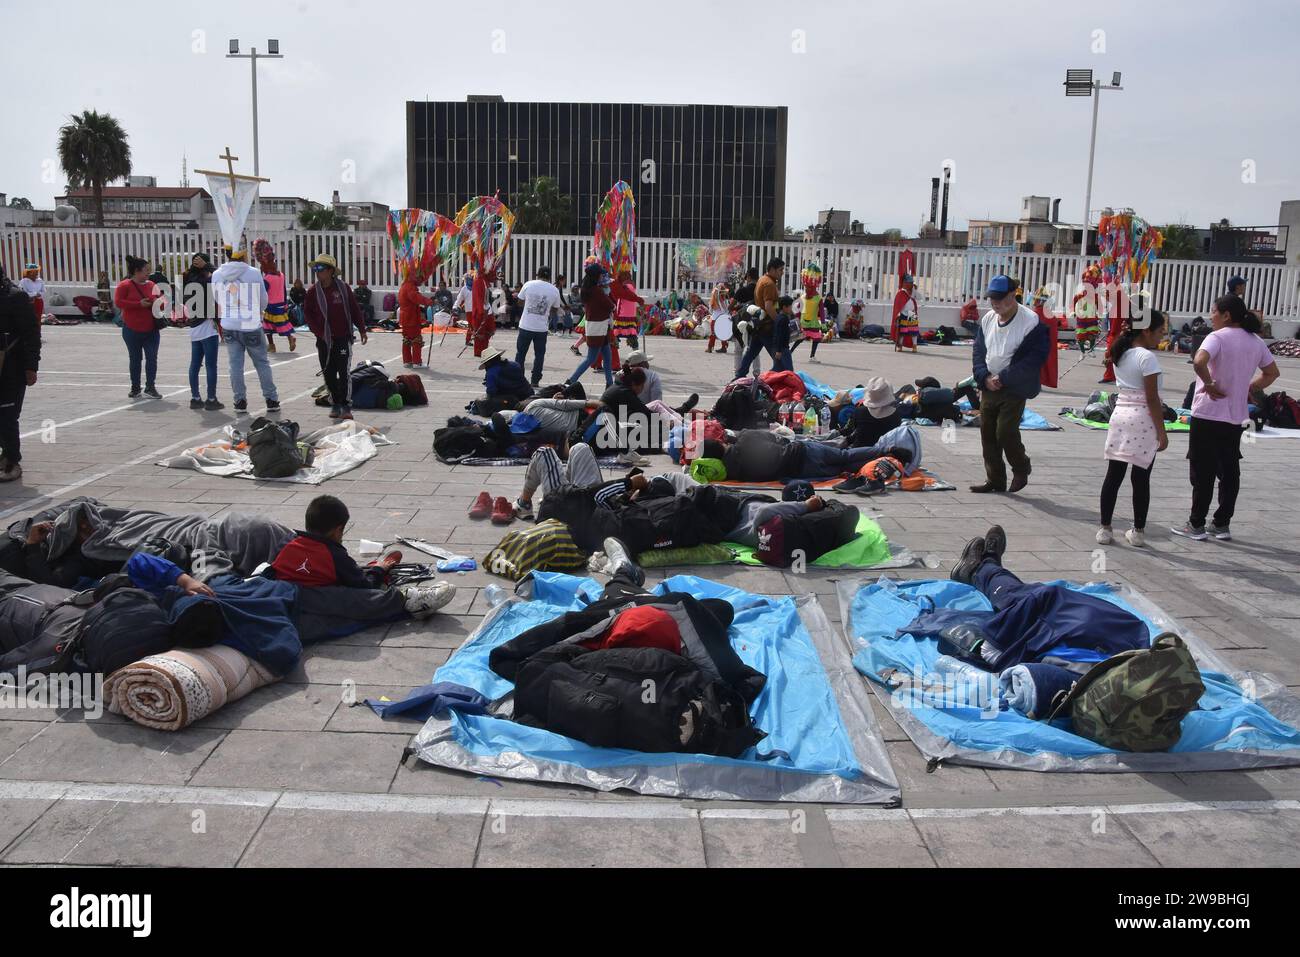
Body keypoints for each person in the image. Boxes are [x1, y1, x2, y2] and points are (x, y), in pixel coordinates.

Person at [947, 526, 1151, 671]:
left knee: (1015, 596)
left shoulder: (1136, 643)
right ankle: (987, 567)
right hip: (1069, 616)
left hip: (1060, 610)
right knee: (1020, 596)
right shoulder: (1124, 654)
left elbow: (998, 654)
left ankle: (983, 568)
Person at [1171, 295, 1279, 541]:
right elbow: (1272, 372)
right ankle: (1221, 523)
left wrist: (1208, 383)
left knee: (1202, 470)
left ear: (1226, 314)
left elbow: (1199, 362)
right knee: (1229, 469)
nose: (1211, 316)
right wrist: (1249, 388)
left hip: (1208, 412)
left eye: (1214, 311)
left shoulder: (1216, 337)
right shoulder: (1255, 341)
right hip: (1235, 416)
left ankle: (1196, 523)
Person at [970, 274, 1049, 494]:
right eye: (992, 299)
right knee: (987, 433)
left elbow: (1034, 358)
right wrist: (984, 376)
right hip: (989, 385)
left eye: (1000, 298)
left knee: (1005, 431)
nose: (995, 303)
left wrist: (1004, 377)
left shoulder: (1030, 321)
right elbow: (978, 351)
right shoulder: (987, 320)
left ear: (1013, 295)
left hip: (1013, 387)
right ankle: (995, 479)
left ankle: (1021, 467)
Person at [1097, 310, 1169, 547]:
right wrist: (1162, 432)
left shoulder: (1121, 353)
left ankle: (1105, 529)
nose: (1162, 336)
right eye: (1160, 331)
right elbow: (1151, 398)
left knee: (1113, 475)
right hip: (1142, 419)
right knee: (1141, 478)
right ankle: (1137, 531)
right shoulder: (1146, 357)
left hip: (1120, 415)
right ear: (1146, 331)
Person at [701, 423, 920, 482]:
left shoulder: (731, 472)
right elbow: (772, 437)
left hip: (800, 472)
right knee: (844, 454)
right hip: (801, 450)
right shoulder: (745, 439)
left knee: (843, 468)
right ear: (721, 443)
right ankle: (887, 451)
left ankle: (885, 461)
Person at [264, 495, 401, 589]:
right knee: (371, 597)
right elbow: (365, 585)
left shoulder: (287, 541)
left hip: (280, 591)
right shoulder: (335, 556)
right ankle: (379, 569)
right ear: (338, 530)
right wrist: (379, 570)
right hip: (312, 600)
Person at [212, 246, 279, 414]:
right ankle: (271, 399)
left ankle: (239, 400)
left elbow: (216, 298)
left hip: (228, 324)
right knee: (262, 363)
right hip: (250, 324)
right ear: (243, 255)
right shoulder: (253, 272)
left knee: (235, 365)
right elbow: (264, 299)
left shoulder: (217, 274)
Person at [303, 252, 368, 421]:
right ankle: (336, 403)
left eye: (321, 268)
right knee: (329, 373)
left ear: (331, 271)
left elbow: (354, 309)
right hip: (324, 340)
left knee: (344, 372)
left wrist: (361, 329)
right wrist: (319, 333)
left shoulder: (343, 288)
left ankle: (346, 405)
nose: (317, 272)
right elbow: (308, 315)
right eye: (315, 269)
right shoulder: (312, 292)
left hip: (342, 337)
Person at [0, 266, 39, 483]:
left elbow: (31, 334)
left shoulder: (15, 297)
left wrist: (31, 367)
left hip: (11, 367)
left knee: (6, 416)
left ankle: (11, 459)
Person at [113, 256, 163, 400]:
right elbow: (119, 302)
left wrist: (156, 302)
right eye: (145, 270)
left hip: (151, 329)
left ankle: (150, 386)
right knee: (135, 359)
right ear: (136, 271)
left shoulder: (152, 284)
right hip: (132, 329)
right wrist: (138, 304)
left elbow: (161, 301)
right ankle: (135, 387)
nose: (148, 273)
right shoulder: (124, 285)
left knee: (152, 358)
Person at [182, 253, 223, 411]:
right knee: (211, 365)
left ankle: (195, 397)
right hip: (207, 325)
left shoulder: (188, 279)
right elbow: (220, 274)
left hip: (194, 326)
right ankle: (211, 398)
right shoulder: (208, 280)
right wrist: (207, 265)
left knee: (194, 364)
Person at [569, 259, 616, 388]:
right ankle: (571, 380)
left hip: (598, 326)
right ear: (596, 276)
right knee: (591, 358)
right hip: (598, 327)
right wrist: (612, 305)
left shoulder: (587, 289)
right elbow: (609, 305)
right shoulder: (596, 291)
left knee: (607, 356)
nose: (602, 276)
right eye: (601, 274)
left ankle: (609, 383)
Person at [735, 258, 784, 379]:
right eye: (780, 270)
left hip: (759, 325)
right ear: (772, 269)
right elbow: (768, 306)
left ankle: (739, 376)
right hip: (767, 327)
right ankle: (775, 379)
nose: (782, 272)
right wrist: (779, 321)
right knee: (779, 359)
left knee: (750, 354)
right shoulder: (769, 284)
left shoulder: (762, 279)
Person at [516, 265, 562, 387]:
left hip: (525, 325)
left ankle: (519, 379)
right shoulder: (554, 290)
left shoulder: (528, 284)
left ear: (538, 274)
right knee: (539, 355)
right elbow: (555, 309)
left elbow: (519, 301)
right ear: (549, 276)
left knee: (521, 354)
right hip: (541, 328)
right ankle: (535, 380)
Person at [254, 239, 297, 353]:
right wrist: (285, 304)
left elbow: (263, 292)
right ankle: (290, 338)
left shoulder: (267, 279)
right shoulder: (281, 275)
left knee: (267, 326)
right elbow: (283, 289)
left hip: (270, 305)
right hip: (281, 305)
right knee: (283, 324)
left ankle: (272, 345)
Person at [845, 377, 904, 448]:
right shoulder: (896, 414)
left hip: (858, 451)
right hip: (883, 453)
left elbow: (849, 430)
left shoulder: (860, 411)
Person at [397, 270, 433, 367]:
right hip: (411, 317)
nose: (421, 281)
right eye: (420, 278)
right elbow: (416, 298)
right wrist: (428, 301)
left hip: (405, 317)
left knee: (407, 339)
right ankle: (417, 362)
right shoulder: (410, 287)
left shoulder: (404, 286)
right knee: (416, 338)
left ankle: (407, 361)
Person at [891, 274, 920, 352]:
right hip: (903, 314)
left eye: (911, 283)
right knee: (902, 331)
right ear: (905, 283)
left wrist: (915, 290)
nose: (910, 284)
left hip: (912, 313)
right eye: (909, 283)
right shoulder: (901, 293)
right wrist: (897, 314)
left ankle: (914, 346)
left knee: (913, 331)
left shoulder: (913, 292)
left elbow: (919, 297)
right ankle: (900, 346)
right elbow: (898, 306)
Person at [771, 296, 796, 373]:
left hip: (777, 348)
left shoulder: (779, 317)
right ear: (785, 307)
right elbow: (779, 335)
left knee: (777, 371)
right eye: (790, 306)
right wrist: (779, 351)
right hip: (782, 349)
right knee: (789, 372)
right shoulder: (783, 319)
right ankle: (763, 380)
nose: (791, 309)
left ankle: (764, 381)